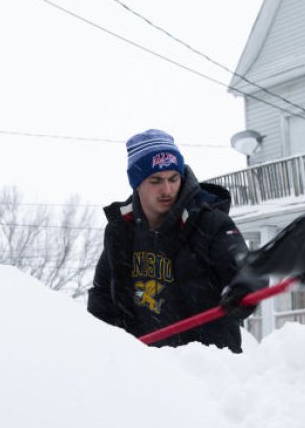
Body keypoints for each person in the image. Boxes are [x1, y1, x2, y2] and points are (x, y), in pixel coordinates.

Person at [87, 128, 263, 352]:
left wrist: (244, 289)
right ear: (137, 183)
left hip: (207, 367)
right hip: (142, 366)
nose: (167, 189)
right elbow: (102, 298)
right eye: (156, 180)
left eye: (173, 178)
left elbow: (247, 270)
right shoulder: (120, 231)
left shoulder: (209, 223)